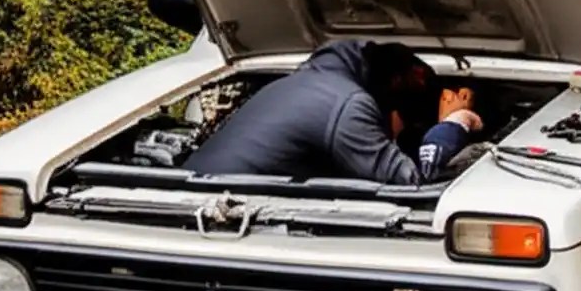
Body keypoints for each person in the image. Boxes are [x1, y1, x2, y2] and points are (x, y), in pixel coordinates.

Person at [181, 40, 482, 184]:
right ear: (401, 81)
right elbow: (413, 182)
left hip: (186, 205)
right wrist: (455, 122)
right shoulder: (348, 106)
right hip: (221, 217)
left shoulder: (296, 85)